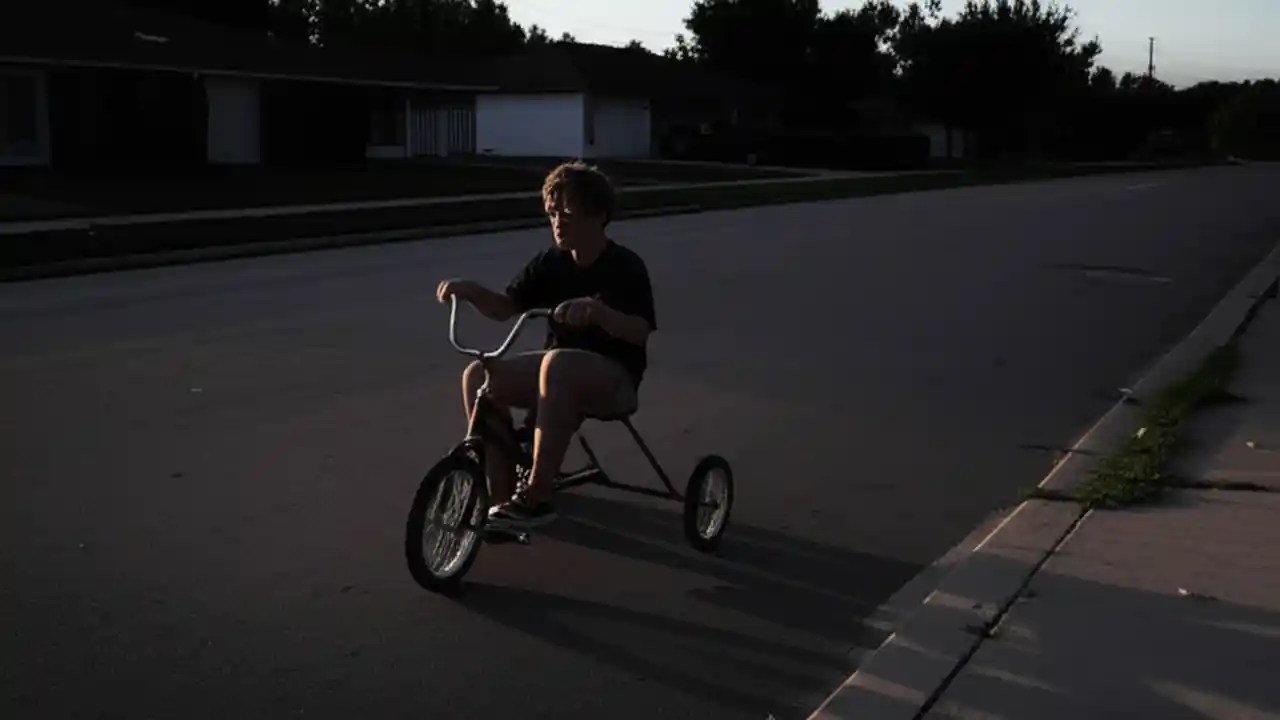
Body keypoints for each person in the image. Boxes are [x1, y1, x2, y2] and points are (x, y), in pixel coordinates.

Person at [436, 160, 658, 528]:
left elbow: (640, 331)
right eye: (552, 213)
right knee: (478, 375)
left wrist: (599, 313)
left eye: (568, 212)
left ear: (599, 215)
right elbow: (506, 308)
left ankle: (538, 496)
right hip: (556, 377)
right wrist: (470, 291)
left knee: (557, 364)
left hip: (614, 380)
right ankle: (501, 494)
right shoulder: (549, 262)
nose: (558, 221)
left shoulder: (625, 265)